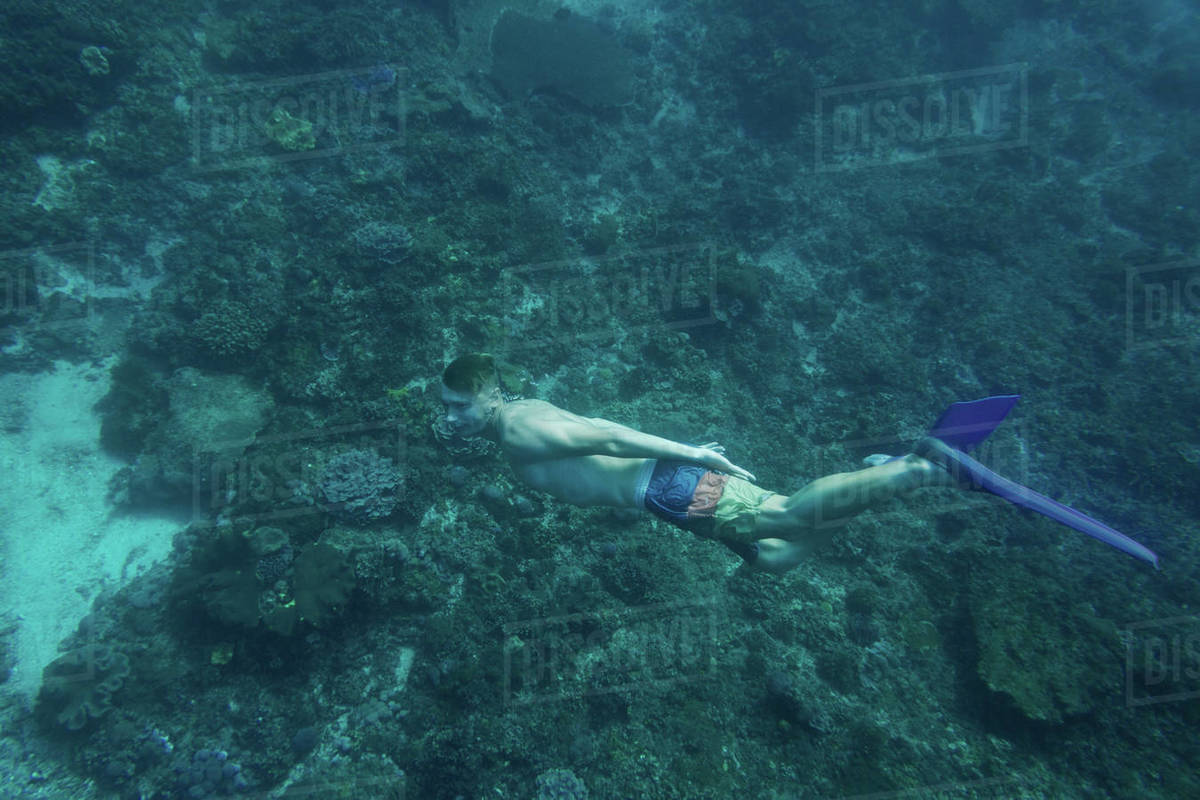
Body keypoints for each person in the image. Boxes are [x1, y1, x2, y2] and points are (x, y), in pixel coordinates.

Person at [437, 353, 958, 574]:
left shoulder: (519, 429)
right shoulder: (518, 413)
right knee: (776, 559)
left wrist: (694, 453)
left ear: (487, 393)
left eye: (460, 405)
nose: (452, 417)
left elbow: (610, 437)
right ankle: (881, 479)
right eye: (446, 407)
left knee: (787, 515)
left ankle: (912, 468)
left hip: (665, 485)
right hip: (662, 495)